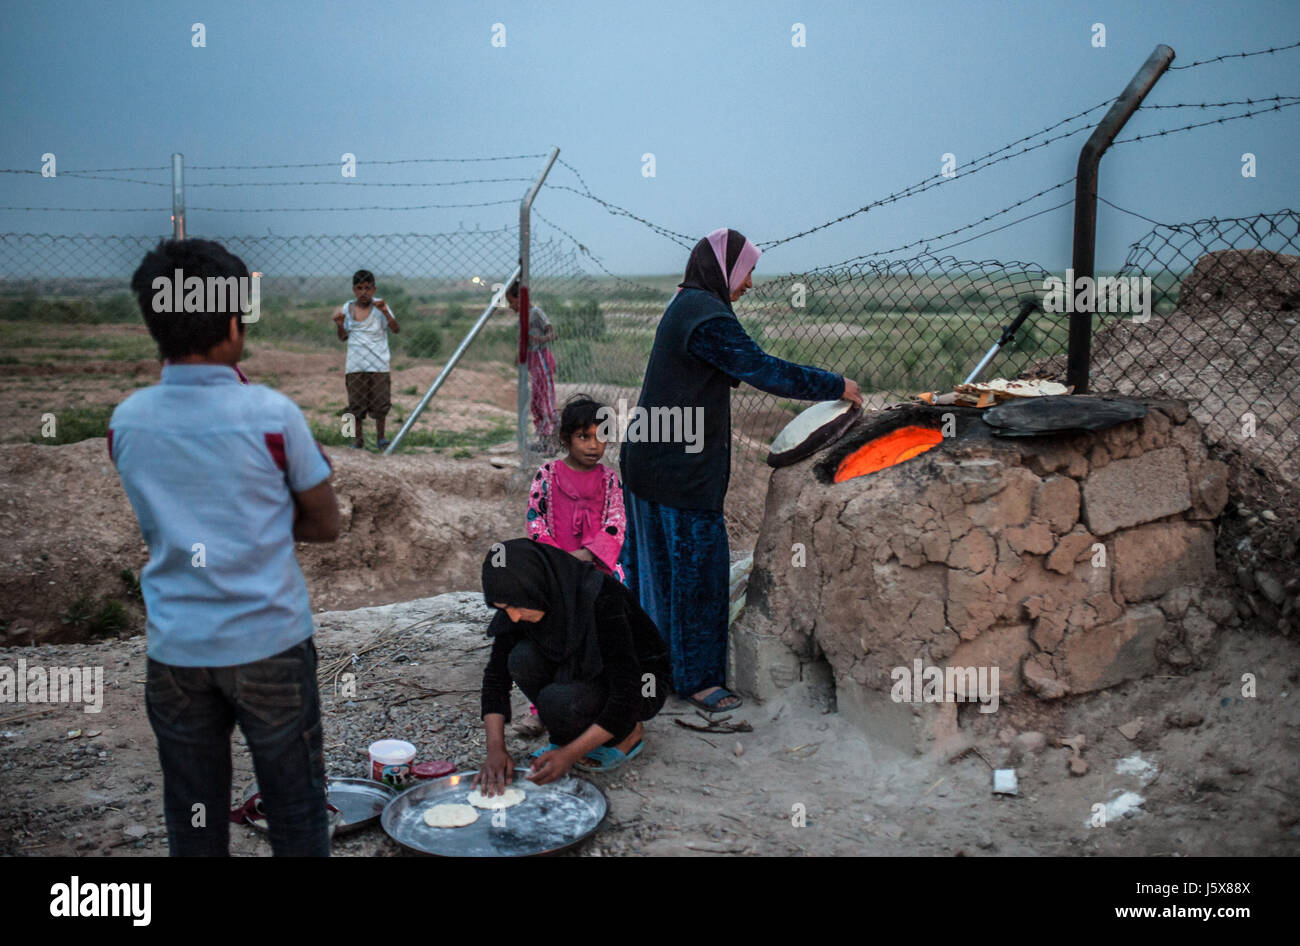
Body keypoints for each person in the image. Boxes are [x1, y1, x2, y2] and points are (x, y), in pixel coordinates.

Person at [112, 238, 341, 856]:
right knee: (295, 807)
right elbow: (325, 524)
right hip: (268, 642)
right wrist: (261, 519)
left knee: (193, 817)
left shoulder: (126, 422)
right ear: (233, 323)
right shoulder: (272, 414)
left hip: (176, 651)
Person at [619, 228, 863, 715]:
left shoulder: (687, 305)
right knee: (698, 576)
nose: (749, 283)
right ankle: (700, 682)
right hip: (678, 472)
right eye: (747, 271)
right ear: (724, 269)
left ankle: (658, 670)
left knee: (656, 576)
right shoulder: (707, 317)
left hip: (648, 459)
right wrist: (838, 384)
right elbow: (762, 369)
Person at [473, 539, 669, 794]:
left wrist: (568, 755)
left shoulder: (602, 597)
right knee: (520, 659)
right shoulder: (522, 597)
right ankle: (576, 730)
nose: (514, 616)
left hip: (643, 684)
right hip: (586, 669)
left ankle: (628, 733)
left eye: (516, 607)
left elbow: (627, 689)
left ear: (536, 586)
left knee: (560, 702)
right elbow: (496, 677)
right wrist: (496, 749)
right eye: (504, 608)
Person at [526, 394, 627, 582]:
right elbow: (535, 518)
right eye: (584, 437)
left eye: (601, 437)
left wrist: (590, 553)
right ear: (566, 438)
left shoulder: (609, 479)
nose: (593, 445)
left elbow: (617, 521)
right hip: (556, 565)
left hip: (598, 566)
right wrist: (558, 556)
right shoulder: (548, 474)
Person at [332, 269, 400, 450]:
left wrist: (386, 312)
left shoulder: (380, 306)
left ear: (374, 289)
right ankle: (357, 440)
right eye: (360, 288)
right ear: (354, 290)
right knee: (356, 404)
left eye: (368, 288)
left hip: (379, 364)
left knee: (381, 403)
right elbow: (343, 337)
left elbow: (395, 328)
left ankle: (381, 438)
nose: (364, 292)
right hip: (355, 364)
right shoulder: (347, 308)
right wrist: (339, 325)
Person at [505, 279, 559, 452]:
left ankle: (555, 440)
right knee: (536, 403)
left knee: (547, 402)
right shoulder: (523, 317)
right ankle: (543, 440)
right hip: (533, 363)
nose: (509, 306)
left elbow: (552, 332)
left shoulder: (536, 313)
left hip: (542, 359)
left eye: (511, 302)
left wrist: (540, 340)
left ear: (520, 298)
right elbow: (525, 340)